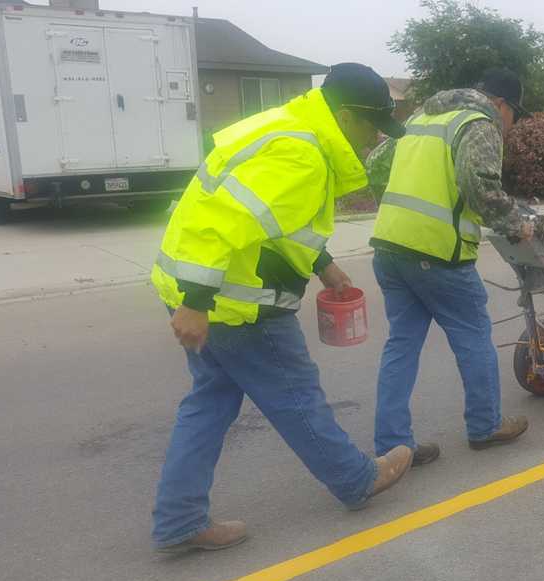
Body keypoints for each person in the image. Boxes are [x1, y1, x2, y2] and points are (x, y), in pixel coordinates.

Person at [149, 63, 414, 554]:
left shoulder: (284, 127)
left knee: (209, 403)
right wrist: (197, 302)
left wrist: (324, 264)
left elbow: (272, 224)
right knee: (296, 398)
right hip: (236, 302)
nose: (375, 134)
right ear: (346, 114)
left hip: (207, 291)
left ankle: (179, 518)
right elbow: (221, 221)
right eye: (373, 122)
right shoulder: (302, 153)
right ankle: (356, 479)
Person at [364, 67, 535, 466]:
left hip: (389, 246)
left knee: (401, 347)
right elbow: (480, 188)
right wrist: (516, 225)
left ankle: (393, 444)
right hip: (437, 254)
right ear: (501, 104)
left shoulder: (422, 117)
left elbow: (374, 166)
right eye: (516, 115)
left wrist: (397, 213)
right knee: (474, 336)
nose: (512, 125)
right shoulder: (479, 123)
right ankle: (485, 426)